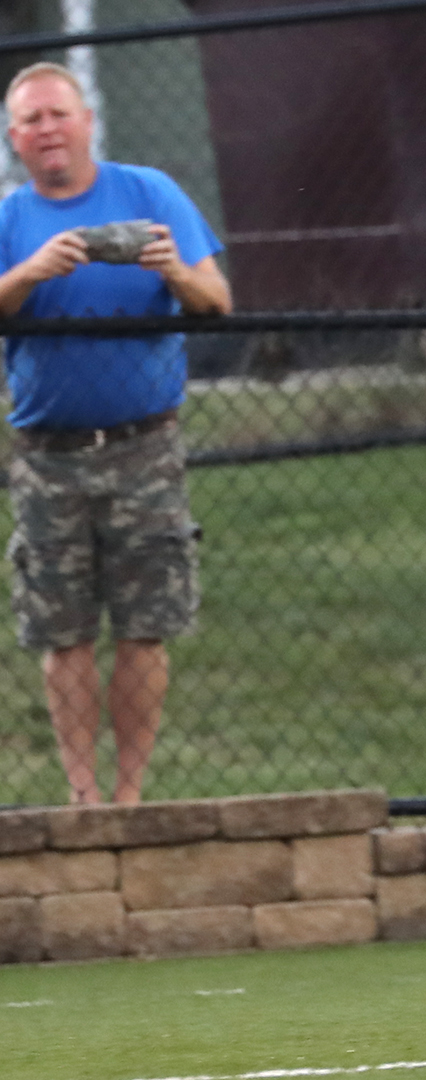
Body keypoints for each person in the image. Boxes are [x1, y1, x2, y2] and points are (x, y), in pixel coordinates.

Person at [0, 62, 231, 805]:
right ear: (14, 139)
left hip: (145, 449)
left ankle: (129, 798)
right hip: (48, 458)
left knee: (145, 627)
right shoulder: (10, 220)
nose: (47, 129)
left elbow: (217, 300)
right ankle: (84, 799)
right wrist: (30, 273)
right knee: (63, 634)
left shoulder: (149, 193)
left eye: (58, 114)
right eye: (31, 120)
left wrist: (176, 271)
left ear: (87, 122)